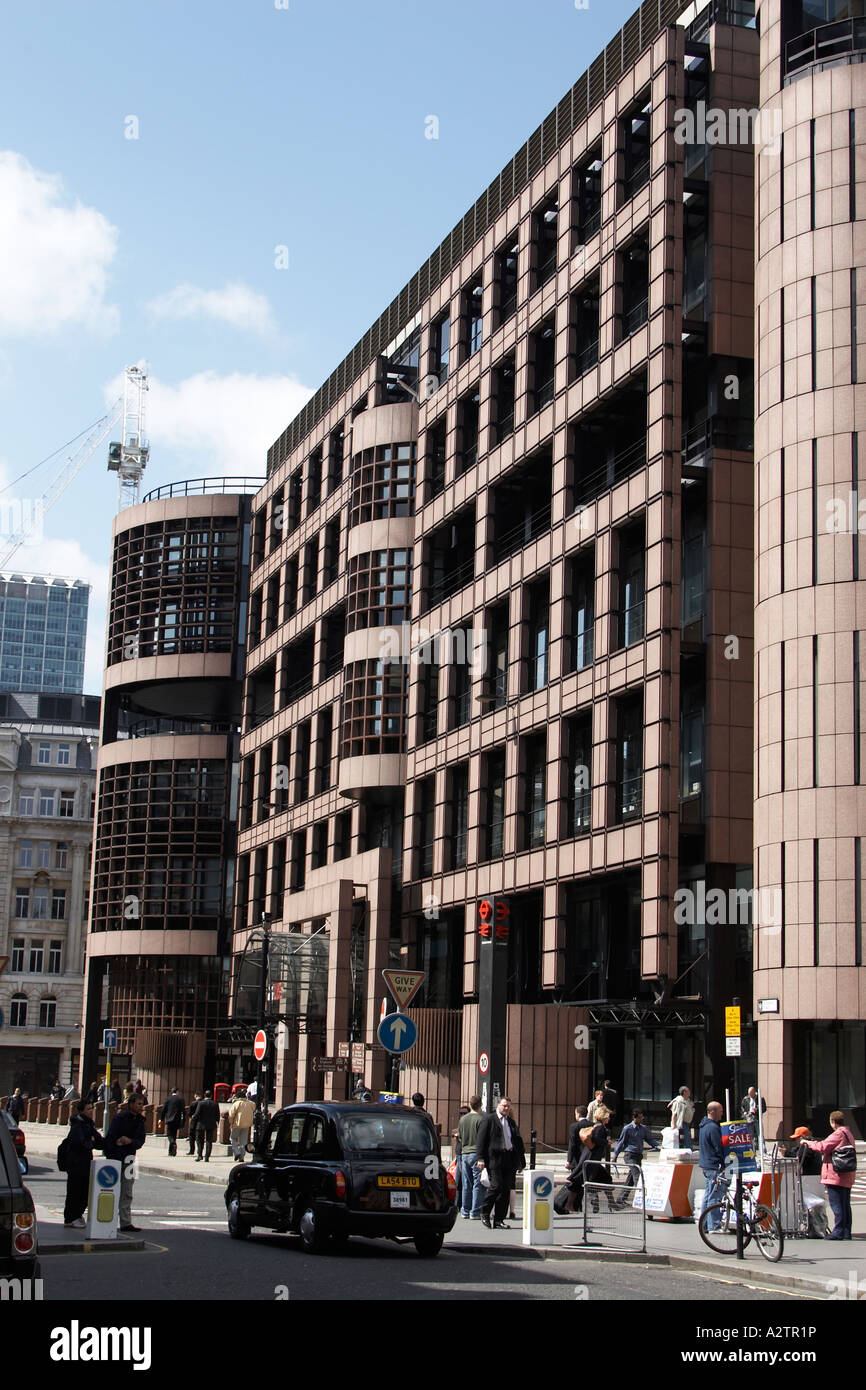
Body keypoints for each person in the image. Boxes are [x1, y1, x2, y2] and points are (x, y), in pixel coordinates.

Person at [805, 1111, 857, 1240]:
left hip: (836, 1175)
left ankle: (838, 1231)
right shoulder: (849, 1134)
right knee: (845, 1204)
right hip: (847, 1173)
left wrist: (809, 1143)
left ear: (833, 1122)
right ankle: (846, 1231)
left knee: (837, 1204)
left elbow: (823, 1147)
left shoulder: (838, 1134)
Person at [475, 1097, 525, 1229]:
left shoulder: (511, 1122)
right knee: (496, 1186)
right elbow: (481, 1140)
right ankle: (484, 1211)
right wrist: (480, 1158)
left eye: (508, 1106)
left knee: (505, 1190)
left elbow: (517, 1142)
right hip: (494, 1159)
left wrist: (521, 1162)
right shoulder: (489, 1119)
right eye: (504, 1106)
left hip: (509, 1159)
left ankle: (499, 1220)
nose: (506, 1108)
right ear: (498, 1105)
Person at [104, 1092, 146, 1232]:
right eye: (139, 1104)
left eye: (142, 1104)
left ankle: (125, 1222)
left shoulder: (141, 1120)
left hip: (130, 1158)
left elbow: (140, 1141)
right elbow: (110, 1138)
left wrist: (130, 1141)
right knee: (111, 1190)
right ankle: (106, 1220)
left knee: (127, 1190)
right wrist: (116, 1144)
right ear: (131, 1104)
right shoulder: (120, 1118)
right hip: (115, 1158)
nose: (141, 1107)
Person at [62, 1099, 105, 1228]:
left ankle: (76, 1215)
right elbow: (81, 1144)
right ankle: (71, 1218)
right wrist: (91, 1142)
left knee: (85, 1193)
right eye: (88, 1109)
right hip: (76, 1164)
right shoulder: (77, 1125)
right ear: (81, 1111)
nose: (91, 1111)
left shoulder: (88, 1124)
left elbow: (98, 1141)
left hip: (85, 1164)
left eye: (92, 1108)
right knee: (75, 1193)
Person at [613, 1109, 659, 1198]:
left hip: (638, 1155)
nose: (642, 1119)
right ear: (634, 1118)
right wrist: (615, 1156)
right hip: (629, 1155)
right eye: (640, 1117)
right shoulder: (627, 1128)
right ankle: (642, 1197)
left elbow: (649, 1139)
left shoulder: (643, 1128)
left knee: (630, 1177)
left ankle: (621, 1198)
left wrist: (657, 1146)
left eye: (642, 1117)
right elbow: (621, 1142)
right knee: (637, 1175)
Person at [579, 1104, 617, 1213]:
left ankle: (608, 1202)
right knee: (595, 1180)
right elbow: (596, 1139)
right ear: (603, 1116)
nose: (609, 1118)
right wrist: (606, 1142)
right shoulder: (600, 1128)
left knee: (602, 1179)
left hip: (593, 1160)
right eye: (608, 1116)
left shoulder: (597, 1126)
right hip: (593, 1160)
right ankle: (602, 1203)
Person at [699, 1101, 726, 1231]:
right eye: (720, 1111)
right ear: (713, 1112)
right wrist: (724, 1163)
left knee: (708, 1195)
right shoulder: (713, 1128)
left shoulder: (703, 1126)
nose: (722, 1114)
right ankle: (713, 1225)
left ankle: (704, 1224)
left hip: (706, 1164)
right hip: (714, 1166)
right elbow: (718, 1148)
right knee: (714, 1197)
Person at [457, 1096, 485, 1220]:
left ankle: (465, 1210)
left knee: (466, 1183)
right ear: (481, 1104)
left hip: (464, 1153)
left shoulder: (463, 1119)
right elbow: (482, 1139)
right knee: (477, 1183)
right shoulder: (481, 1119)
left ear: (470, 1104)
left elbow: (460, 1137)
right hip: (476, 1153)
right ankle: (475, 1211)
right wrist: (482, 1158)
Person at [563, 1107, 590, 1213]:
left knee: (575, 1183)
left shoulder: (574, 1126)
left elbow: (572, 1144)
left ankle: (571, 1205)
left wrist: (568, 1160)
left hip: (577, 1159)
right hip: (588, 1158)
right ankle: (577, 1206)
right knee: (582, 1183)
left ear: (578, 1114)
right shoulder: (592, 1125)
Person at [191, 1090, 220, 1162]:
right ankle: (207, 1157)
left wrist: (193, 1118)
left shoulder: (201, 1103)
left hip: (201, 1124)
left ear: (204, 1095)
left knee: (199, 1140)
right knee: (209, 1141)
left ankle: (200, 1155)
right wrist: (217, 1123)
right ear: (211, 1096)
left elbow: (197, 1113)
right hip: (211, 1124)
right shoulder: (215, 1104)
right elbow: (217, 1115)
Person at [228, 1089, 256, 1162]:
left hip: (237, 1124)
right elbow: (254, 1109)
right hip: (247, 1124)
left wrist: (231, 1123)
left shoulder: (236, 1103)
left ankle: (237, 1152)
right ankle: (242, 1156)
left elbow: (231, 1115)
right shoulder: (251, 1103)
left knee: (233, 1138)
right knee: (243, 1141)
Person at [158, 1089, 186, 1157]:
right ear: (177, 1092)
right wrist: (183, 1121)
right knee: (174, 1134)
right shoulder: (180, 1099)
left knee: (169, 1134)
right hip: (177, 1120)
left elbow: (164, 1109)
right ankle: (171, 1152)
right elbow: (183, 1111)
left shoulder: (168, 1099)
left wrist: (161, 1119)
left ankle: (173, 1144)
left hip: (169, 1119)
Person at [668, 1085, 695, 1149]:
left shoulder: (687, 1100)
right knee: (686, 1139)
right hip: (682, 1122)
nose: (690, 1092)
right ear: (684, 1092)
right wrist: (673, 1124)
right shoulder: (678, 1101)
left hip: (687, 1123)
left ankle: (687, 1149)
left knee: (686, 1138)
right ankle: (688, 1150)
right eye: (688, 1091)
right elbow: (674, 1114)